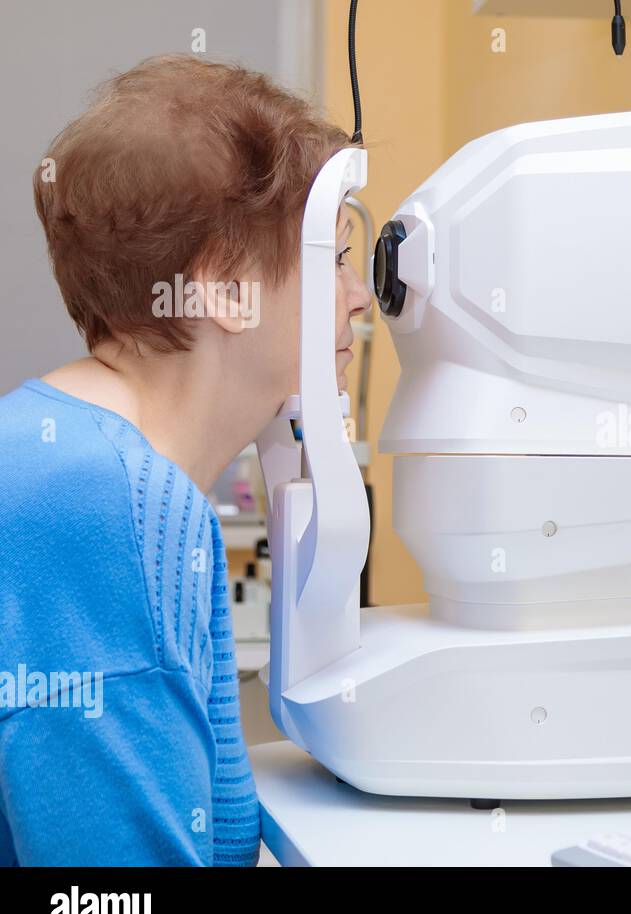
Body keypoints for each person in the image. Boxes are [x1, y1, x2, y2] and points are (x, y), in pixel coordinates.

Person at [0, 55, 371, 865]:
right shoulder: (100, 501)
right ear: (226, 284)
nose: (360, 297)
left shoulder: (73, 459)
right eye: (332, 256)